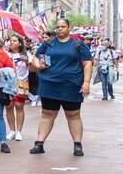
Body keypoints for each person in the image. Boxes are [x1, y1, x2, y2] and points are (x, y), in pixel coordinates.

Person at [29, 18, 93, 157]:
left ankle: (77, 145)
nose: (59, 29)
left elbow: (87, 63)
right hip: (49, 84)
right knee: (47, 114)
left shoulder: (78, 44)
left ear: (68, 28)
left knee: (73, 115)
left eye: (63, 26)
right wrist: (38, 65)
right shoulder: (48, 43)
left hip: (71, 85)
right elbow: (36, 57)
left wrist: (86, 83)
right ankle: (39, 143)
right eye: (57, 27)